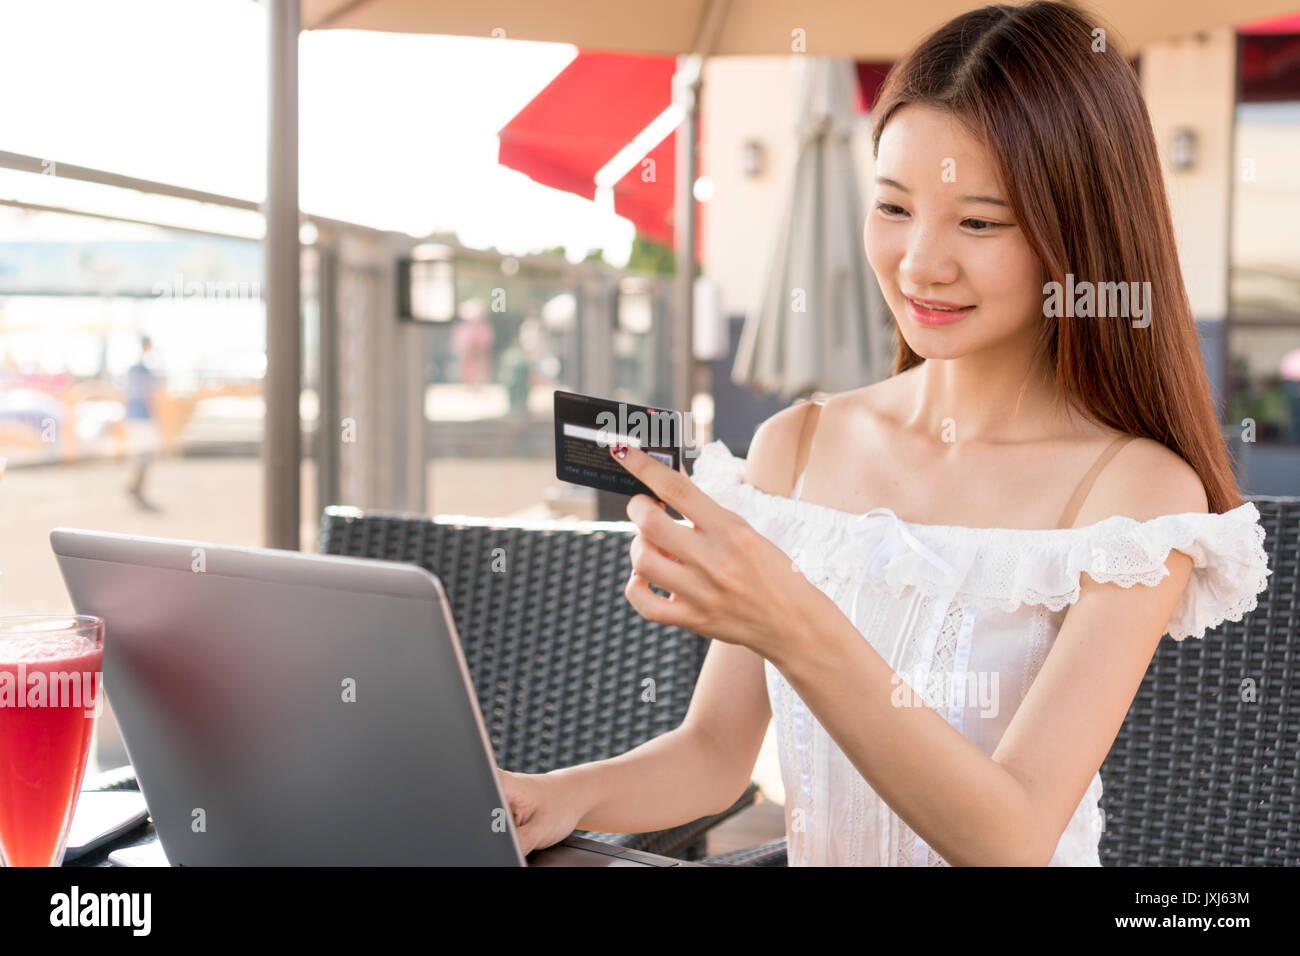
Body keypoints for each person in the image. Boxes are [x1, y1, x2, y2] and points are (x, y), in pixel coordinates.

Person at [494, 1, 1271, 865]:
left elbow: (1010, 837)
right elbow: (714, 756)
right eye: (894, 207)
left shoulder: (1136, 493)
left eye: (980, 221)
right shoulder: (798, 444)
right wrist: (546, 798)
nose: (919, 262)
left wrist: (793, 622)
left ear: (1078, 237)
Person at [123, 335, 162, 512]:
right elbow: (149, 395)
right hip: (143, 415)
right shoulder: (143, 370)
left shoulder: (132, 369)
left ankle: (136, 486)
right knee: (146, 453)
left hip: (133, 414)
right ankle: (136, 486)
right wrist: (155, 416)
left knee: (141, 453)